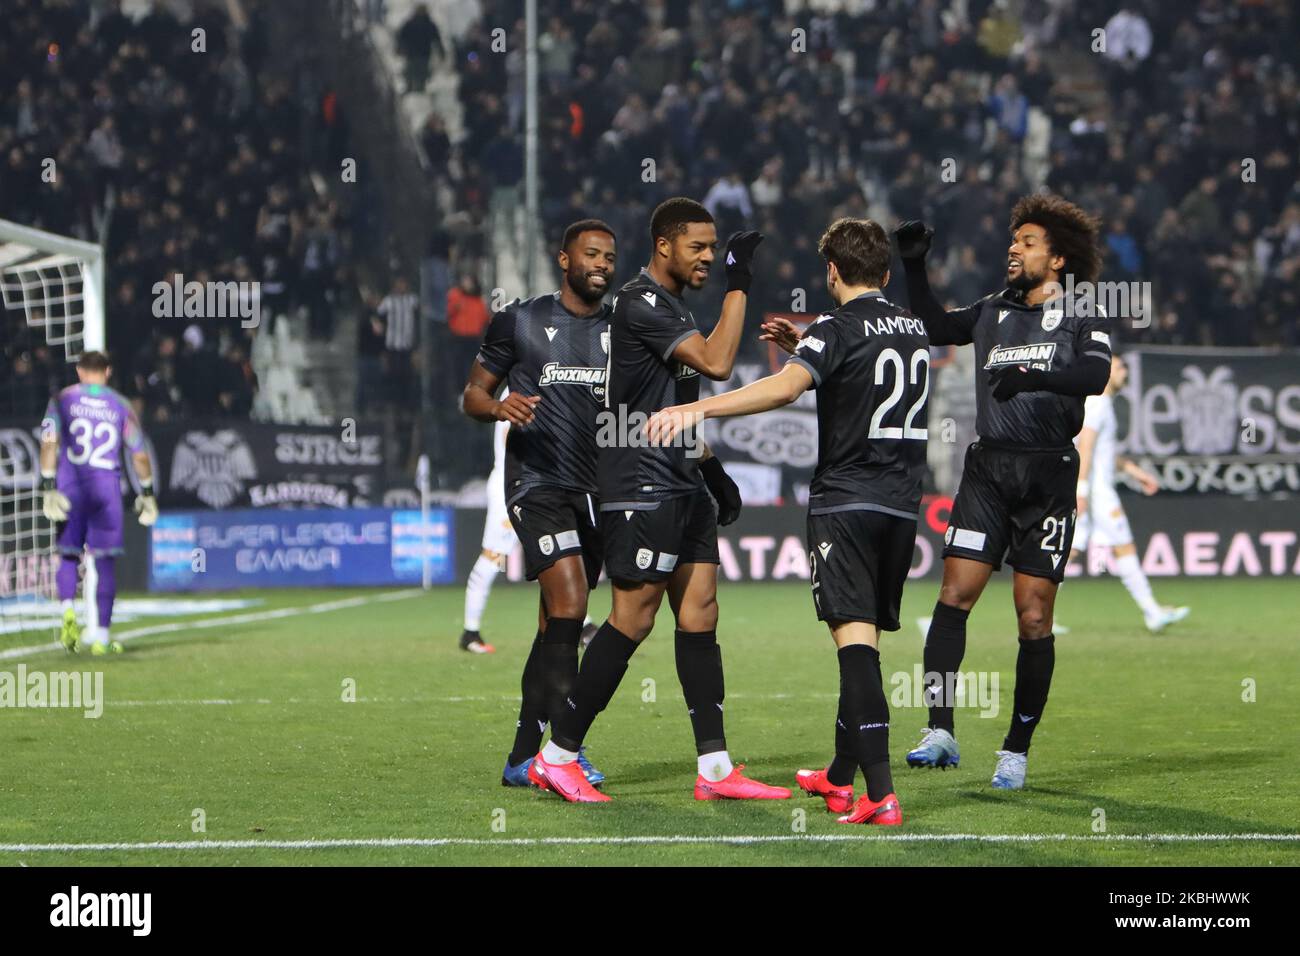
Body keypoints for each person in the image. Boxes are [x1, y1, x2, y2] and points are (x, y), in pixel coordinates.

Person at [649, 218, 929, 825]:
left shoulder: (834, 326)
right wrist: (805, 336)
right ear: (884, 273)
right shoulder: (912, 328)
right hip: (902, 505)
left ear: (831, 272)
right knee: (867, 642)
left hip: (846, 502)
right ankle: (838, 775)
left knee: (855, 649)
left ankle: (879, 795)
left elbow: (785, 389)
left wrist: (699, 406)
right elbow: (864, 353)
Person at [528, 197, 787, 803]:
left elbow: (681, 406)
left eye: (713, 248)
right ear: (664, 245)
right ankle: (557, 755)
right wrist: (740, 280)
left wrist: (712, 469)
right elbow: (720, 365)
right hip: (639, 482)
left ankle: (716, 769)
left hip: (681, 480)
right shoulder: (642, 302)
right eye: (698, 247)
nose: (707, 257)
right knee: (634, 617)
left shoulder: (670, 307)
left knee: (700, 613)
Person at [895, 194, 1113, 790]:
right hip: (989, 471)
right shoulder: (991, 309)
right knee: (955, 593)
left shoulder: (1082, 315)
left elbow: (1094, 376)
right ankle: (940, 731)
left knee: (1034, 616)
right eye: (1012, 241)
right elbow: (936, 327)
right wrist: (915, 266)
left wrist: (1033, 375)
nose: (1013, 250)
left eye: (1028, 243)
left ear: (1059, 259)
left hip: (1048, 476)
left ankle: (1015, 751)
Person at [462, 219, 618, 788]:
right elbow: (473, 394)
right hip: (537, 483)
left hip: (598, 493)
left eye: (609, 256)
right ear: (564, 259)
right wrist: (499, 408)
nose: (601, 264)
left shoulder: (622, 327)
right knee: (572, 607)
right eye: (591, 254)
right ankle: (563, 755)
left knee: (556, 621)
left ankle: (523, 757)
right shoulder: (521, 320)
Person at [40, 351, 157, 655]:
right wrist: (147, 492)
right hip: (106, 493)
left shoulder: (61, 400)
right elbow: (139, 454)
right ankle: (102, 638)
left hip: (70, 489)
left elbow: (49, 441)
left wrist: (48, 485)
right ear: (108, 371)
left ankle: (67, 610)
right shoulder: (120, 405)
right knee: (104, 563)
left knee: (68, 556)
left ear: (79, 370)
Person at [1071, 354, 1189, 632]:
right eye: (1120, 367)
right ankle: (1152, 612)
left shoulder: (1101, 404)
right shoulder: (1097, 403)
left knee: (1071, 549)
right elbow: (1085, 448)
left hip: (1091, 488)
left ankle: (1038, 610)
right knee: (1123, 545)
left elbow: (1105, 455)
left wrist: (1137, 473)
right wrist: (1082, 490)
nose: (1125, 371)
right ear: (1105, 372)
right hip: (1096, 492)